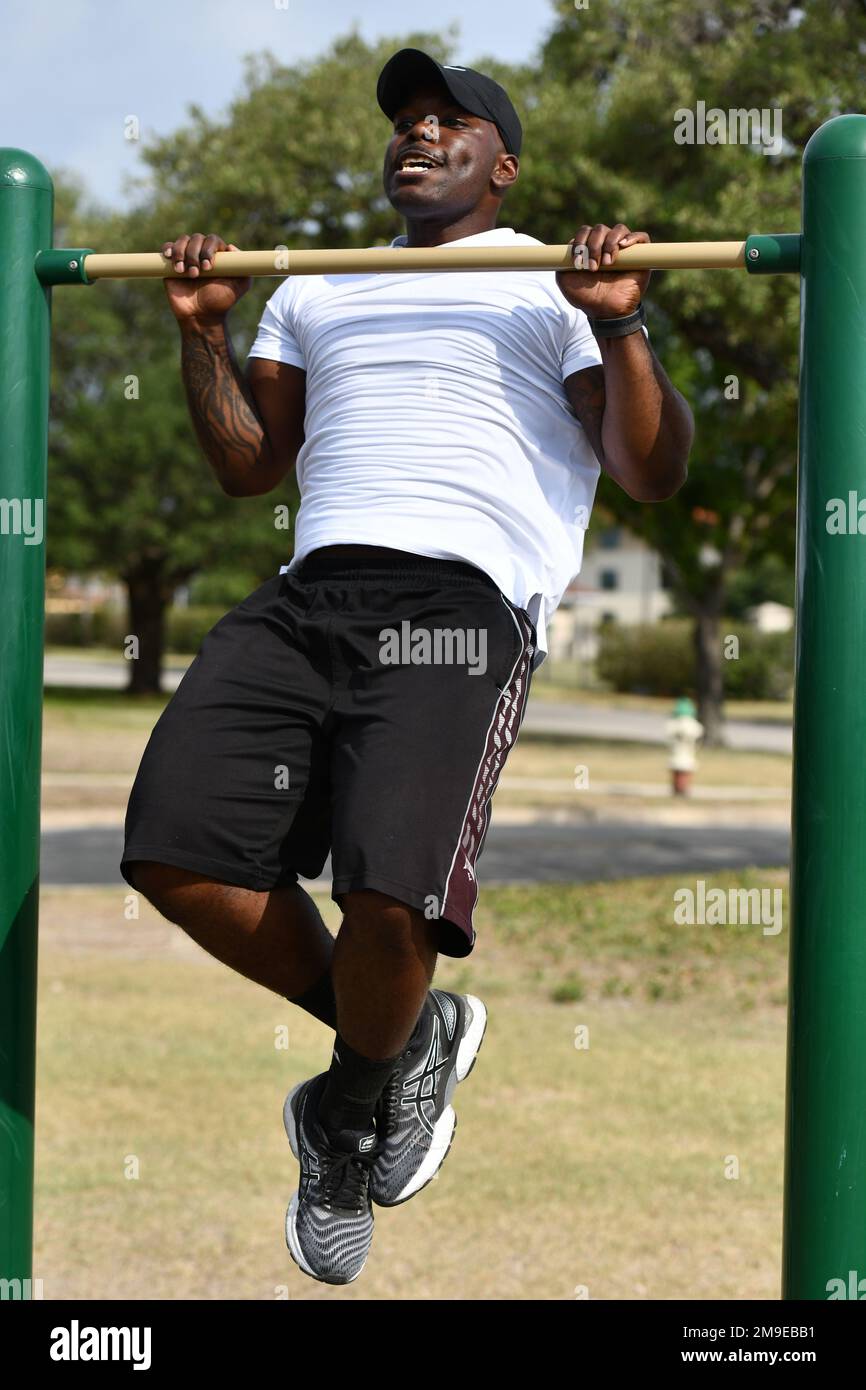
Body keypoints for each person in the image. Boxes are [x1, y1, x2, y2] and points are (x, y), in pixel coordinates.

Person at [120, 47, 694, 1286]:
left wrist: (625, 322)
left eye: (450, 122)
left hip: (459, 604)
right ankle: (399, 1038)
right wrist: (203, 340)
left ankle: (342, 1119)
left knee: (394, 894)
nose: (417, 136)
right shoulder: (320, 286)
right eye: (405, 123)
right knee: (169, 843)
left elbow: (650, 472)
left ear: (504, 164)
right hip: (308, 591)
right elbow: (246, 467)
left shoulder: (551, 279)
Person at [665, 697, 705, 795]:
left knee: (680, 772)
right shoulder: (693, 726)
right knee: (683, 772)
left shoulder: (674, 724)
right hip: (685, 754)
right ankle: (680, 789)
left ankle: (680, 789)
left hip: (680, 754)